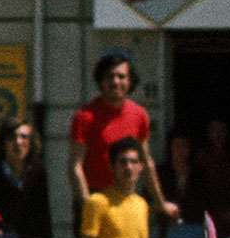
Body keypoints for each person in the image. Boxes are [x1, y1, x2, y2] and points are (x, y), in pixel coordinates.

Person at [67, 52, 171, 224]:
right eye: (110, 76)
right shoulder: (85, 116)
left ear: (130, 82)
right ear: (101, 81)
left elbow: (146, 162)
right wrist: (87, 205)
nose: (115, 82)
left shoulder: (139, 115)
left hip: (126, 199)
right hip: (95, 197)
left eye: (121, 76)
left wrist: (160, 203)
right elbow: (75, 165)